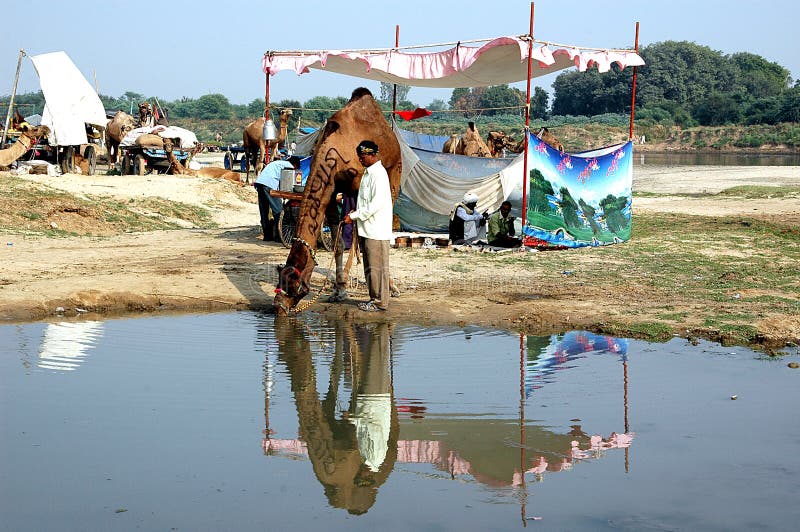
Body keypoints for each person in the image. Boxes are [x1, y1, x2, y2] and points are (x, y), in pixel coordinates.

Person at [343, 140, 393, 312]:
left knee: (377, 268)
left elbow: (375, 204)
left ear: (372, 155)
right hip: (368, 229)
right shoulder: (368, 173)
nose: (361, 159)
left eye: (363, 156)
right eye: (360, 156)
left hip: (376, 230)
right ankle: (374, 298)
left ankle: (380, 301)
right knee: (370, 267)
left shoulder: (378, 174)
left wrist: (354, 216)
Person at [254, 155, 301, 242]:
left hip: (259, 183)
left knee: (264, 211)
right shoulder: (289, 166)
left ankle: (267, 236)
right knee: (278, 211)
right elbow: (287, 184)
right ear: (295, 165)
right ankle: (279, 237)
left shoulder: (278, 163)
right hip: (269, 184)